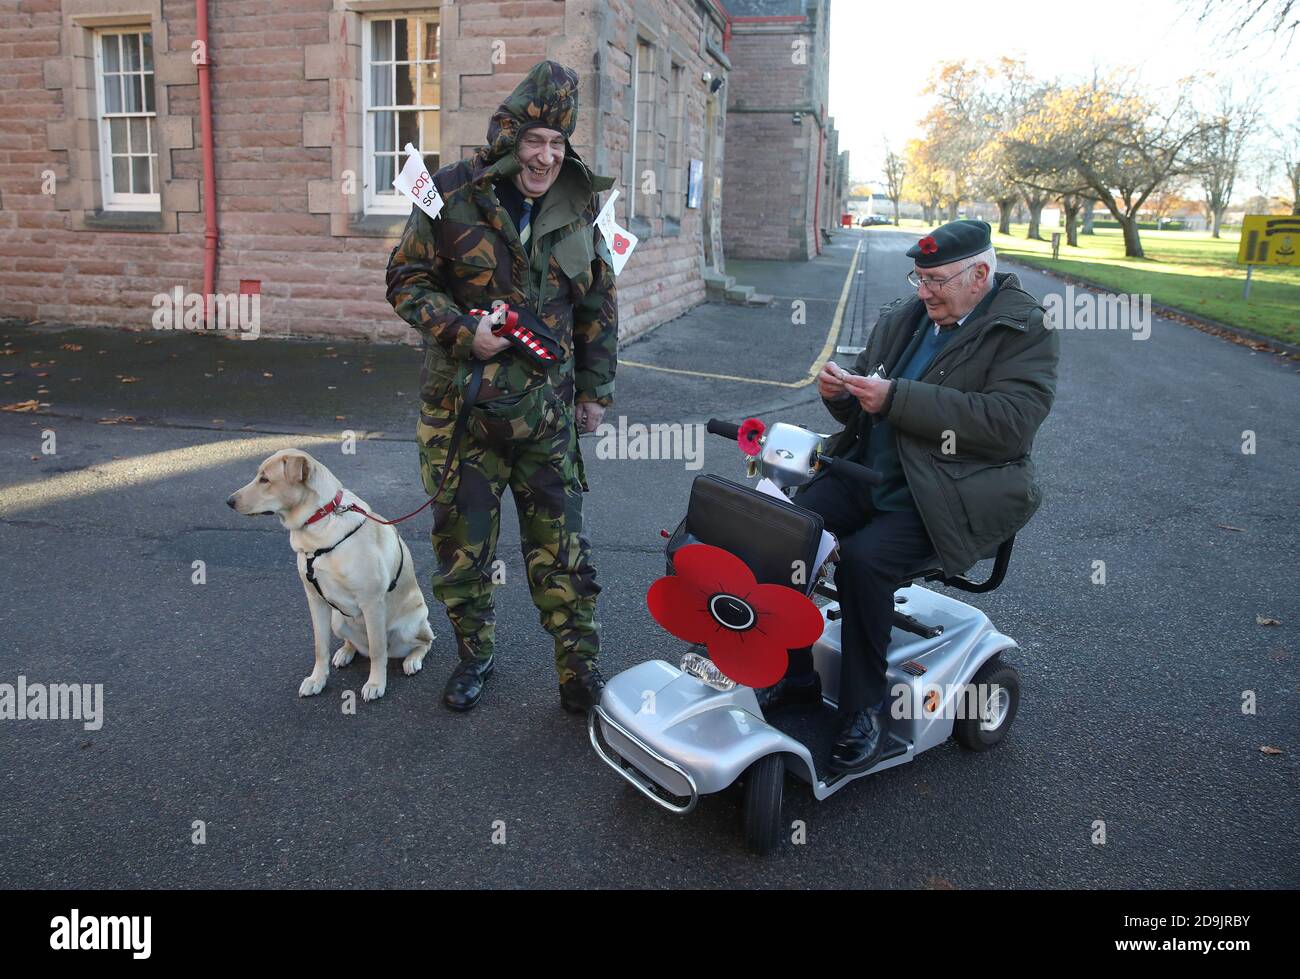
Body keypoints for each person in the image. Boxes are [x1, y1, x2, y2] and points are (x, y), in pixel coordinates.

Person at [767, 219, 1059, 774]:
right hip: (868, 476)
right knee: (780, 530)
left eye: (935, 280)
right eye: (918, 277)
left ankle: (864, 714)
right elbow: (867, 405)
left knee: (865, 563)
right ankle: (797, 677)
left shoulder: (1025, 328)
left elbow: (1011, 424)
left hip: (943, 495)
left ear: (979, 275)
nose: (922, 291)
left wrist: (897, 398)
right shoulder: (907, 315)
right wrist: (842, 394)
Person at [385, 61, 617, 714]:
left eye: (557, 143)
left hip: (547, 420)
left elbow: (599, 299)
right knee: (462, 558)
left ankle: (579, 672)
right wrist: (461, 329)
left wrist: (596, 388)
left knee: (564, 556)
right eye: (535, 139)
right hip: (464, 419)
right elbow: (406, 279)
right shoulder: (446, 191)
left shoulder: (580, 203)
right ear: (509, 133)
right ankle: (474, 656)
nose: (545, 156)